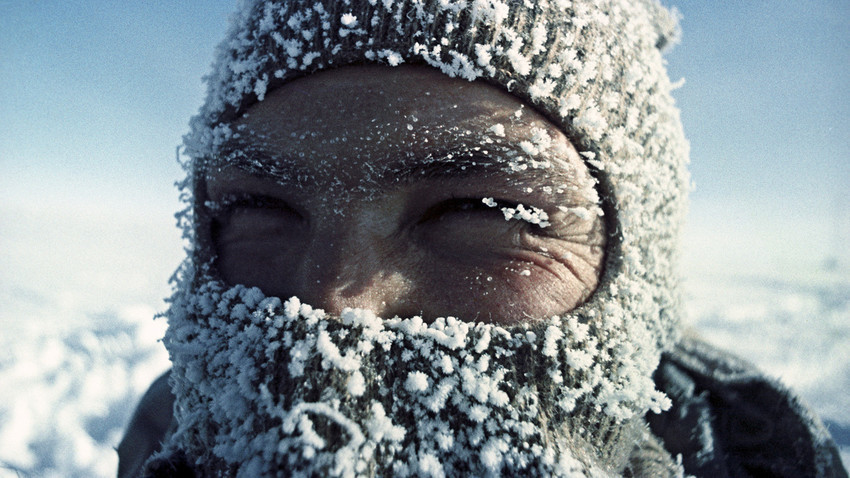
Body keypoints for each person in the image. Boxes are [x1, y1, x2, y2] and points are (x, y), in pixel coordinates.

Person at [118, 0, 847, 476]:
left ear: (635, 276)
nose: (331, 305)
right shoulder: (165, 428)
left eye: (481, 212)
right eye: (259, 209)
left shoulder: (772, 455)